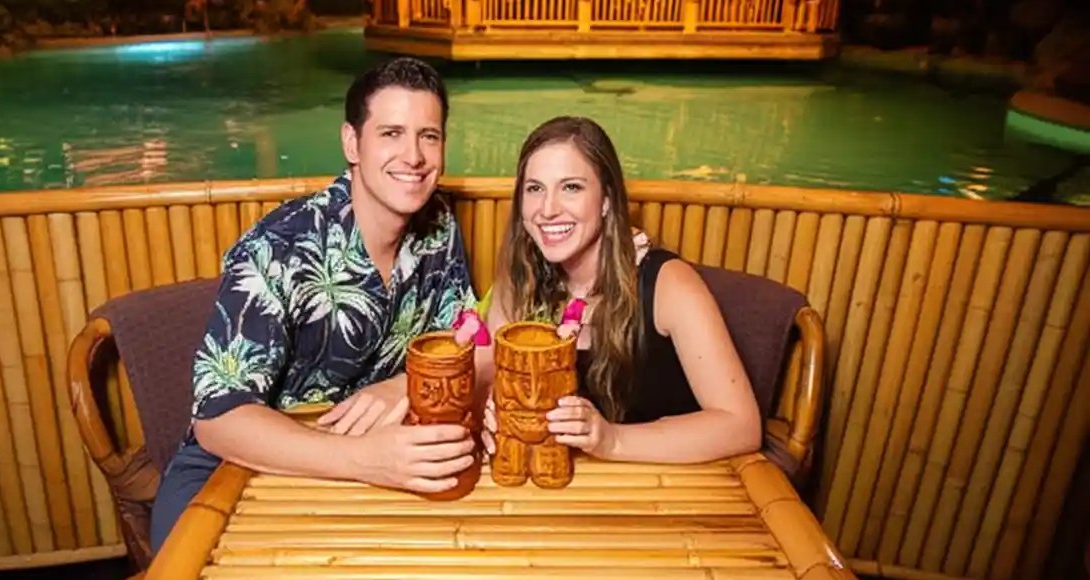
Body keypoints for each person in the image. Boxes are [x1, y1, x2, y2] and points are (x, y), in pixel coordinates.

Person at [149, 57, 483, 552]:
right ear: (352, 142)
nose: (413, 155)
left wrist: (404, 385)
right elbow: (219, 417)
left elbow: (471, 337)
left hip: (370, 462)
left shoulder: (439, 227)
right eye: (391, 133)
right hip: (238, 466)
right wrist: (364, 459)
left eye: (428, 136)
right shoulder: (279, 247)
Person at [476, 116, 762, 465]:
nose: (547, 209)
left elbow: (741, 425)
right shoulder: (518, 283)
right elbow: (490, 383)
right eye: (534, 189)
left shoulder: (669, 285)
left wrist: (610, 440)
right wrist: (489, 416)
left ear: (607, 200)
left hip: (666, 490)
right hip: (561, 491)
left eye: (571, 187)